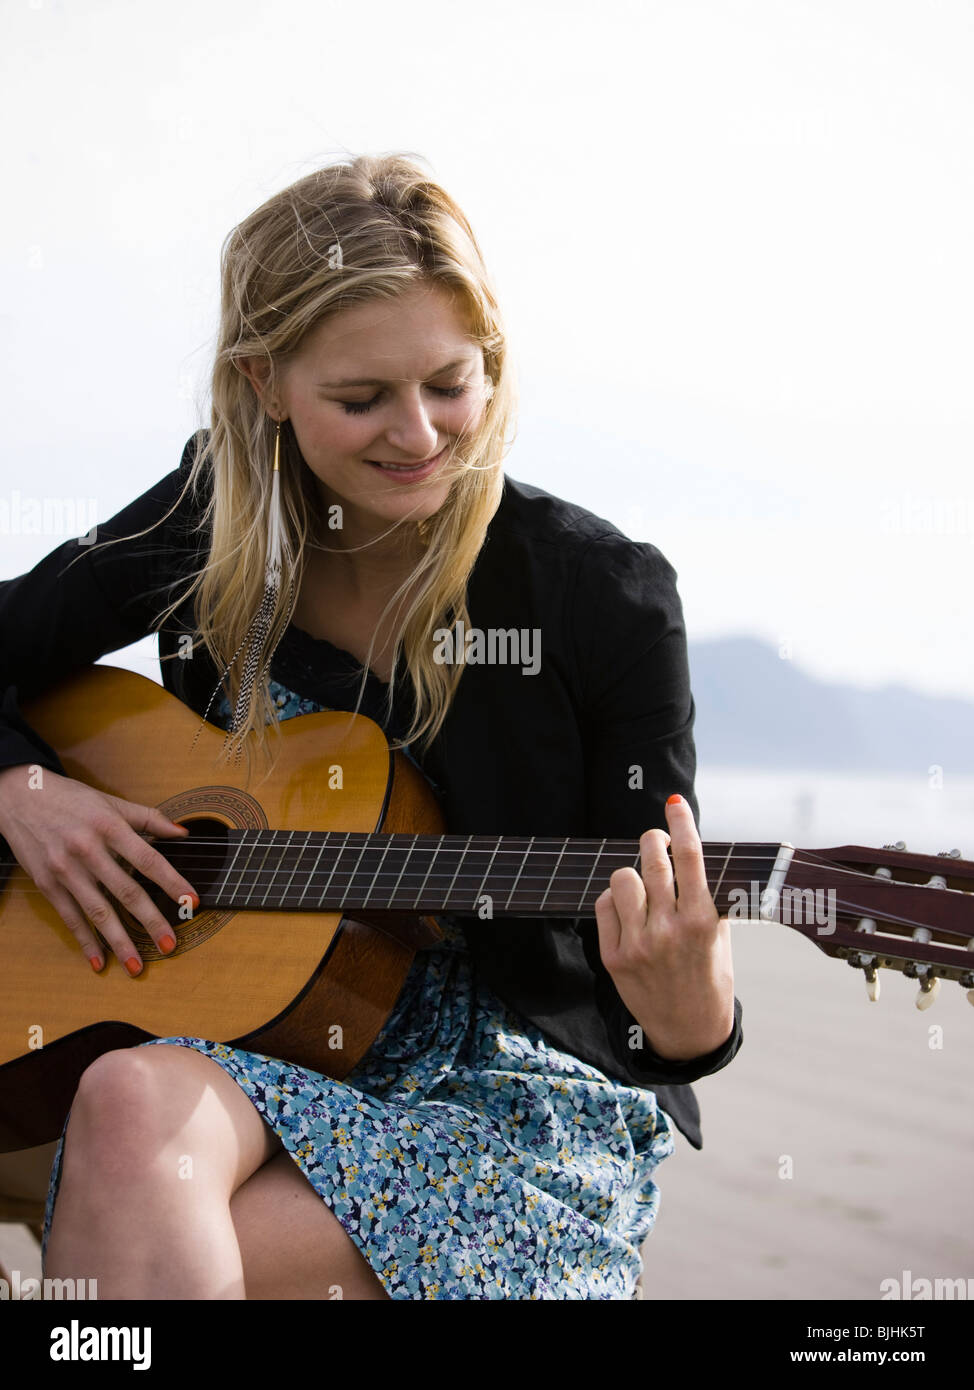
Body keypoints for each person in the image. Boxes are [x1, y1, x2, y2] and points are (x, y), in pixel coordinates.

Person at [0, 153, 741, 1301]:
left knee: (120, 1234)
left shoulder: (600, 594)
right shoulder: (212, 525)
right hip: (260, 1040)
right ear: (264, 382)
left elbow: (668, 1026)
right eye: (362, 399)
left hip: (515, 1094)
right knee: (129, 1099)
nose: (421, 434)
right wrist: (26, 791)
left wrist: (693, 1002)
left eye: (452, 384)